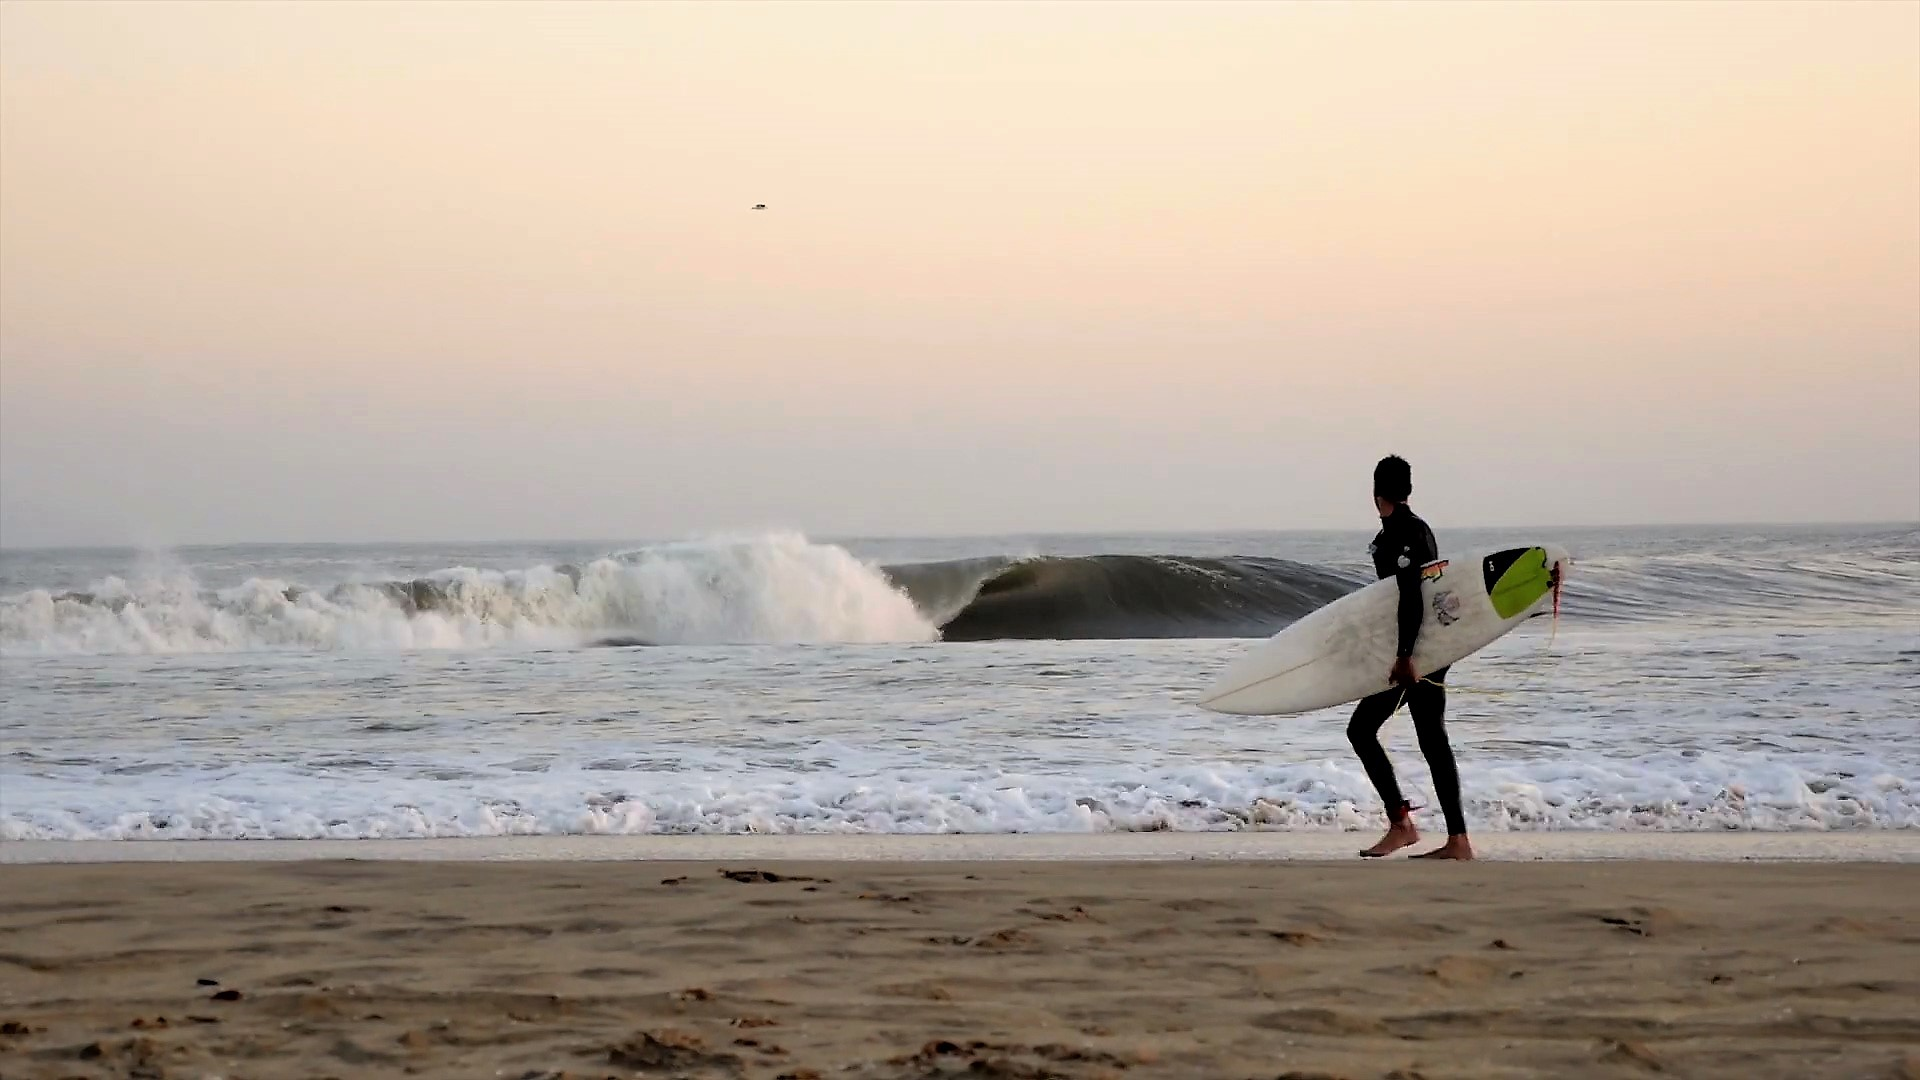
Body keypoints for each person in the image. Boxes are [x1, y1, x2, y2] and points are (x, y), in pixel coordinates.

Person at [1348, 454, 1472, 860]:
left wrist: (1404, 656)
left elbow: (1411, 597)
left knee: (1362, 730)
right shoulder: (1416, 528)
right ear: (1408, 490)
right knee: (1433, 740)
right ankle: (1457, 842)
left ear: (1374, 492)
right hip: (1431, 650)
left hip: (1415, 654)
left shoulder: (1401, 534)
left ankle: (1401, 824)